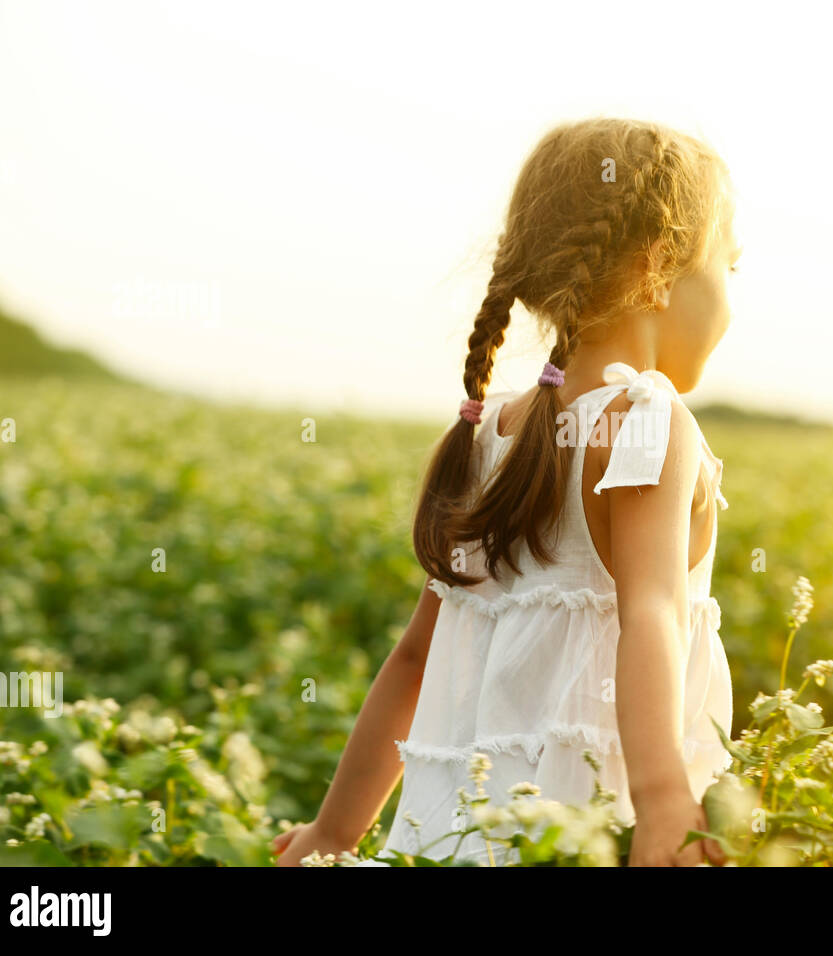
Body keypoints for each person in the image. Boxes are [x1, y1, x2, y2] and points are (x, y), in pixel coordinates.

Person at [273, 117, 741, 867]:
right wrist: (663, 801)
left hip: (459, 834)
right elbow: (651, 609)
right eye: (730, 266)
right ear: (659, 267)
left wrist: (332, 835)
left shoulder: (485, 431)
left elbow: (416, 660)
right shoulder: (646, 420)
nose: (730, 298)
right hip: (580, 827)